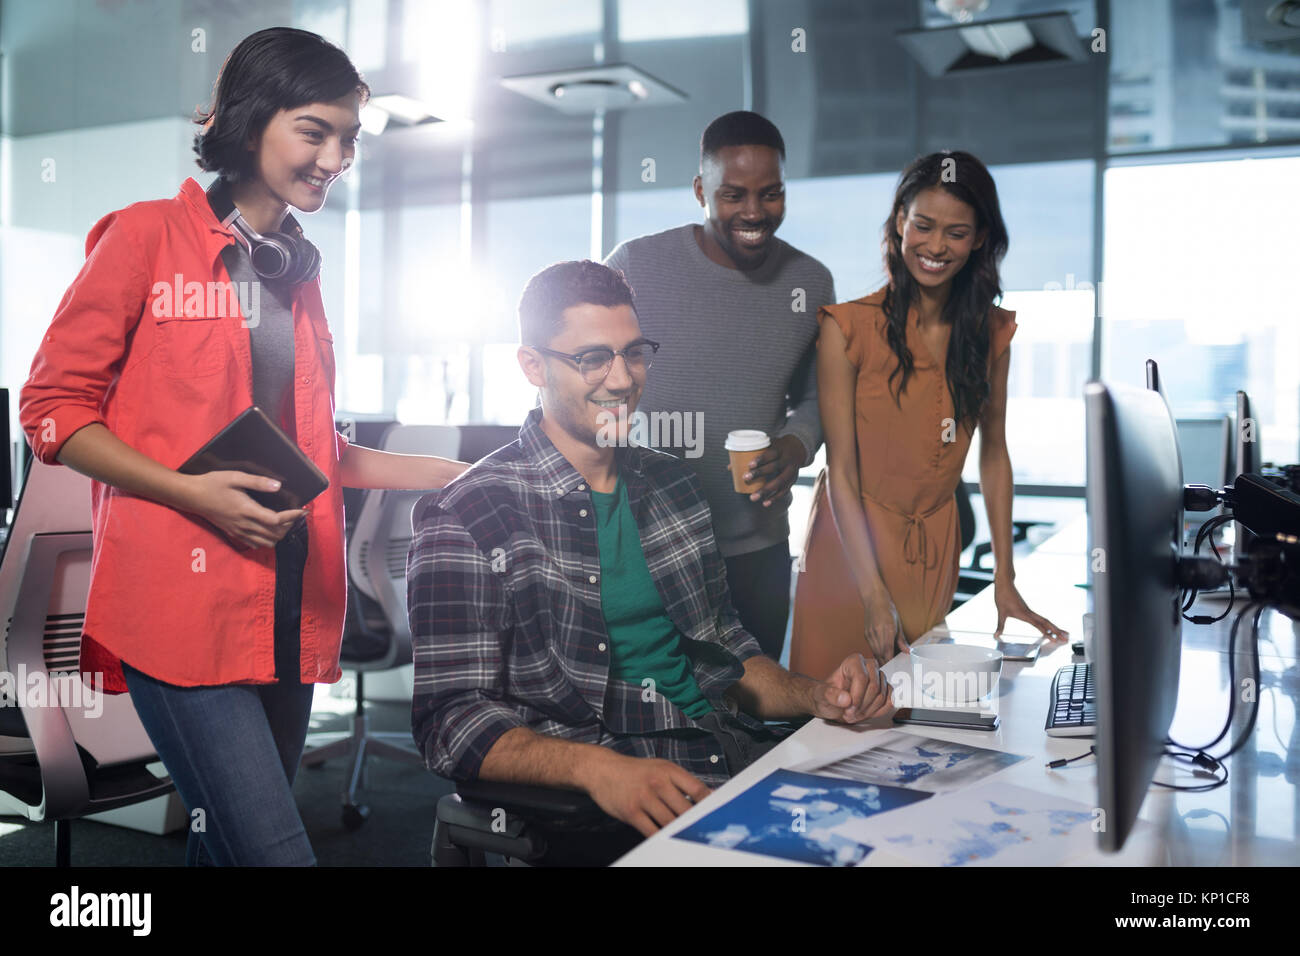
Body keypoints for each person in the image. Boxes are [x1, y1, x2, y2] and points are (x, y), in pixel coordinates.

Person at [18, 27, 466, 866]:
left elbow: (316, 450)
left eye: (350, 138)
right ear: (253, 119)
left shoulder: (296, 269)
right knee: (276, 855)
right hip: (180, 616)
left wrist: (451, 474)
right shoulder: (145, 239)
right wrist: (193, 494)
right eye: (315, 130)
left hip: (288, 609)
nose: (336, 156)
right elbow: (51, 409)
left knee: (224, 847)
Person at [408, 260, 889, 856]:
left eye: (633, 353)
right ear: (532, 365)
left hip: (731, 756)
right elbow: (448, 723)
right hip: (618, 798)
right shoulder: (468, 513)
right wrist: (595, 769)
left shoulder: (674, 483)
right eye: (591, 359)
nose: (621, 379)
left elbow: (727, 650)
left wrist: (813, 696)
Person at [789, 150, 1067, 680]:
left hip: (935, 543)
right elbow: (842, 472)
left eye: (957, 232)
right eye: (923, 225)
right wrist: (872, 595)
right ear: (900, 224)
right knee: (830, 719)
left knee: (913, 718)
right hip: (848, 550)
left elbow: (994, 453)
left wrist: (1004, 580)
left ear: (981, 237)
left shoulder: (992, 333)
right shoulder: (845, 328)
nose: (936, 246)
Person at [603, 111, 835, 660]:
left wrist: (797, 444)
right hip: (642, 545)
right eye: (733, 195)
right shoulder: (635, 264)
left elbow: (818, 395)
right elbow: (581, 376)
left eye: (770, 194)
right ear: (700, 190)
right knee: (651, 716)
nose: (754, 213)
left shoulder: (811, 282)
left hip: (757, 551)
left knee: (752, 721)